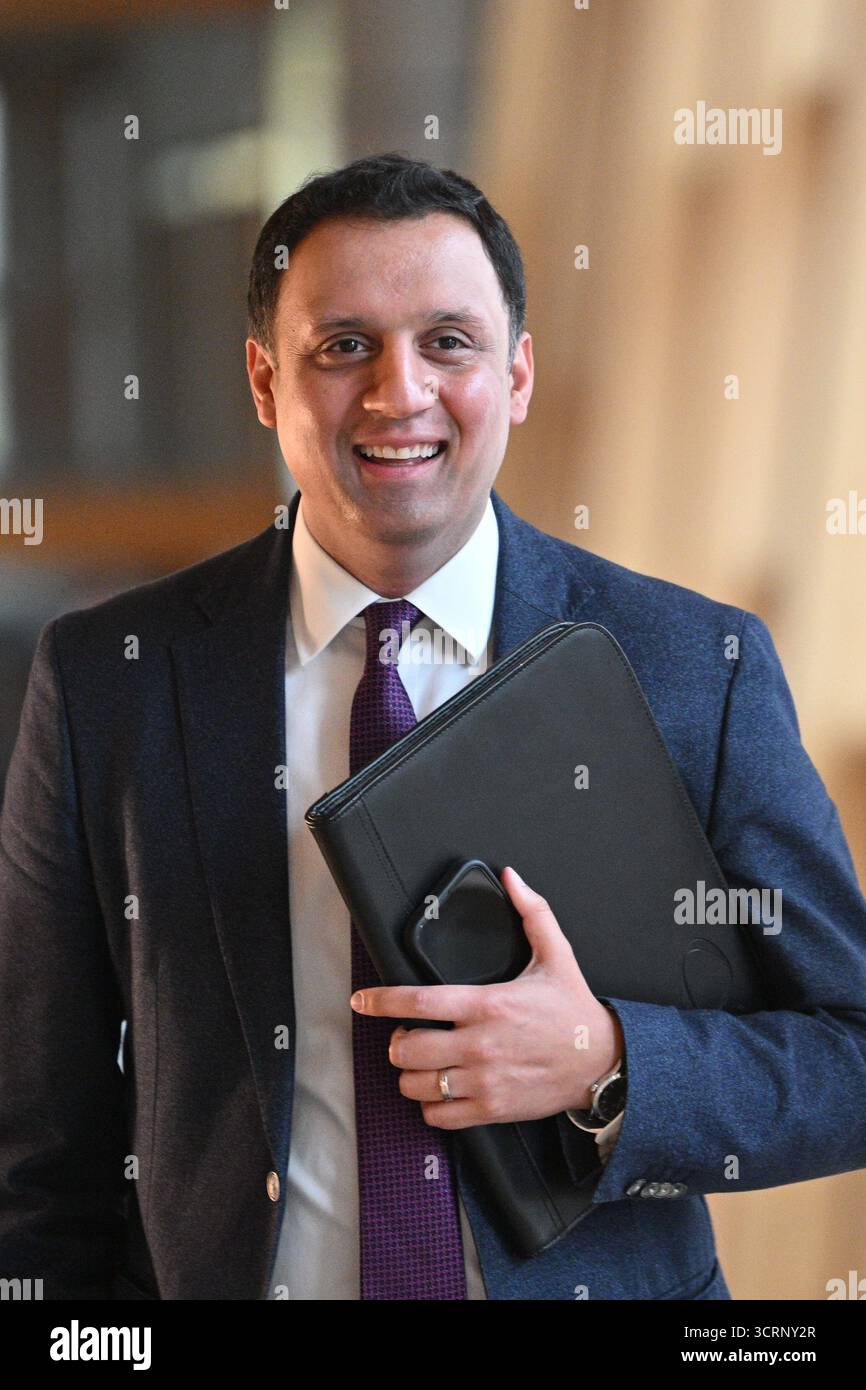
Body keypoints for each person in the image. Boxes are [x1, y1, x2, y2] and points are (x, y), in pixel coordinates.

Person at [1, 153, 865, 1301]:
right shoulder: (110, 680)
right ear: (265, 382)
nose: (396, 392)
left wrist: (606, 1061)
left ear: (514, 376)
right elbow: (37, 1142)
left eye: (446, 342)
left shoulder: (692, 667)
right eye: (342, 345)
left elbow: (848, 1052)